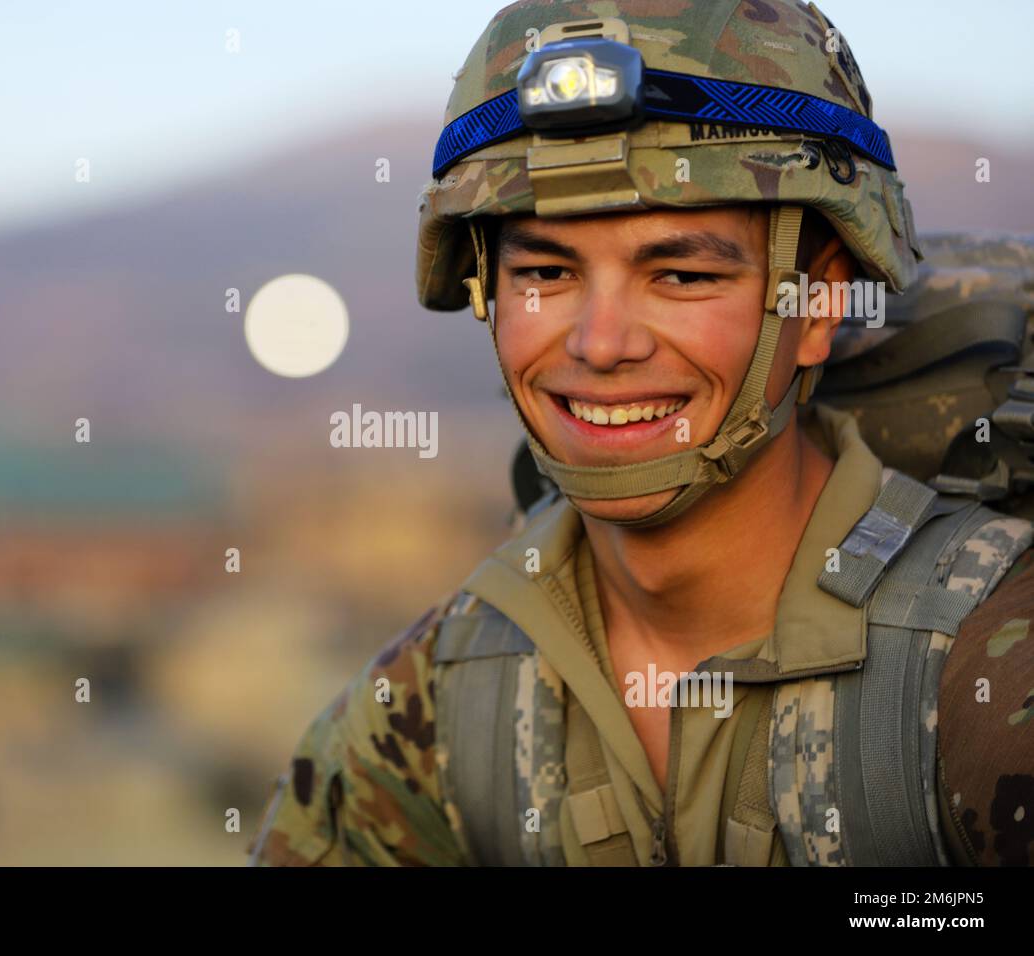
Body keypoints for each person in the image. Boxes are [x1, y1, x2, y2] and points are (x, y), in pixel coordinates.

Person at [247, 0, 1034, 867]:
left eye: (682, 274)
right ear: (486, 296)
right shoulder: (441, 699)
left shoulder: (989, 672)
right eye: (546, 272)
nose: (601, 343)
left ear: (818, 306)